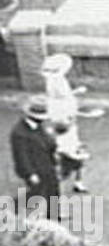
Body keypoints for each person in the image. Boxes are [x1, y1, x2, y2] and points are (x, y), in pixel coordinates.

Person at [41, 54, 90, 194]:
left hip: (65, 122)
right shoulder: (57, 81)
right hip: (65, 124)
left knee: (74, 152)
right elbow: (64, 98)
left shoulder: (52, 81)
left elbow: (63, 96)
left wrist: (75, 93)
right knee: (71, 154)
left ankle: (77, 181)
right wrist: (71, 117)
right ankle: (69, 182)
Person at [10, 96, 59, 219]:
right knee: (36, 193)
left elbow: (48, 145)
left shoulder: (39, 128)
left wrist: (52, 141)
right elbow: (21, 156)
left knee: (53, 191)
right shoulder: (19, 133)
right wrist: (31, 174)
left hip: (47, 165)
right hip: (34, 169)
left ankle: (53, 216)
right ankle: (9, 209)